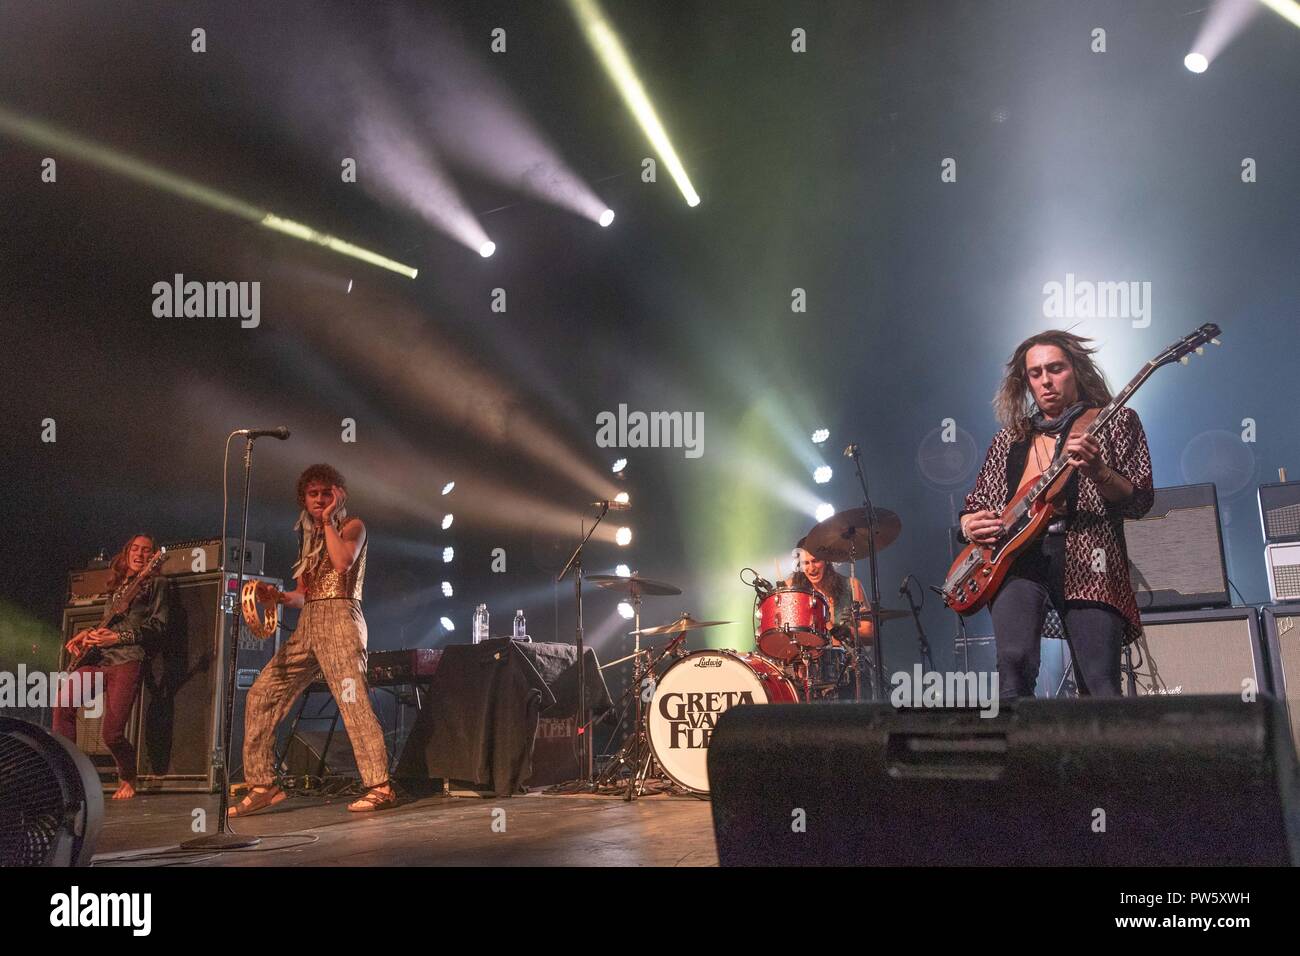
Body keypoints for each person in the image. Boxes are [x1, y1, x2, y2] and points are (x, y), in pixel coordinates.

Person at [959, 330, 1154, 698]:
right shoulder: (1010, 439)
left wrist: (1100, 471)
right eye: (1035, 373)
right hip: (1017, 560)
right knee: (1013, 666)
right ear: (1025, 382)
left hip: (1088, 556)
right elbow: (975, 505)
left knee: (1098, 679)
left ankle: (1102, 754)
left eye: (1055, 368)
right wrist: (969, 524)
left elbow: (1140, 501)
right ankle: (1020, 752)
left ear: (1076, 370)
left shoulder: (1116, 421)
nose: (1046, 381)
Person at [231, 464, 396, 815]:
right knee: (262, 693)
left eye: (326, 492)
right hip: (311, 622)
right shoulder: (310, 540)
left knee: (352, 702)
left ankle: (380, 786)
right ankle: (263, 783)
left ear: (340, 494)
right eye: (313, 494)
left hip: (340, 621)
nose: (320, 499)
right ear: (303, 500)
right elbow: (305, 595)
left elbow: (342, 563)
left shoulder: (352, 527)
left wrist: (328, 521)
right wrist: (275, 597)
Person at [54, 533, 171, 800]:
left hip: (128, 659)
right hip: (99, 658)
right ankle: (68, 776)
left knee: (112, 734)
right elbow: (108, 622)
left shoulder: (157, 584)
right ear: (127, 551)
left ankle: (128, 777)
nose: (140, 554)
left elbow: (158, 626)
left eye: (147, 550)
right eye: (136, 549)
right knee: (63, 705)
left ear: (153, 557)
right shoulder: (118, 584)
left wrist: (118, 638)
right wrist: (88, 633)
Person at [787, 544, 874, 697]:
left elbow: (870, 633)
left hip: (849, 672)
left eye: (816, 561)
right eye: (806, 563)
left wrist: (849, 632)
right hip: (807, 675)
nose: (811, 568)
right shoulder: (793, 589)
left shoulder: (851, 586)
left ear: (827, 561)